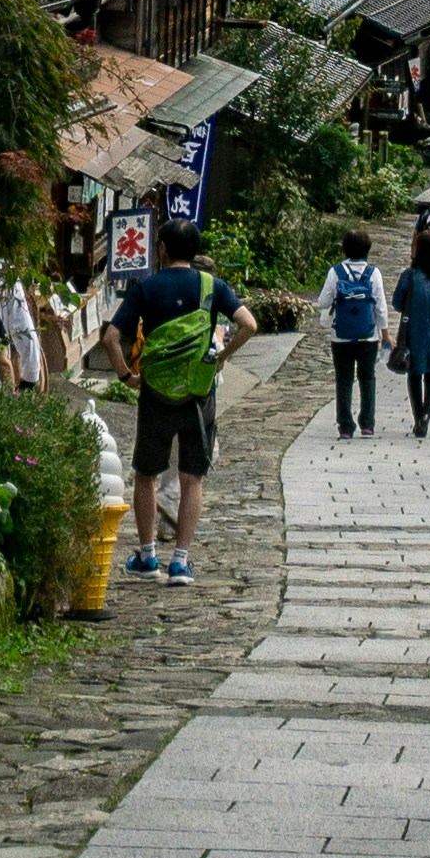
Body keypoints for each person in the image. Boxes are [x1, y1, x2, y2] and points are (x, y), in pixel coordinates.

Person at [111, 217, 249, 585]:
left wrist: (127, 376)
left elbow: (111, 338)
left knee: (145, 475)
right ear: (195, 250)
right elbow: (249, 324)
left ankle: (146, 557)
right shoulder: (211, 286)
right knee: (192, 479)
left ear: (163, 249)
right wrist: (221, 358)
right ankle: (180, 563)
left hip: (154, 392)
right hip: (197, 395)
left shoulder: (145, 287)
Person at [324, 229, 390, 435]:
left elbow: (323, 301)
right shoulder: (374, 273)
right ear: (368, 250)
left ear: (344, 249)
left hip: (340, 335)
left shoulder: (335, 272)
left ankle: (345, 425)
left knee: (343, 379)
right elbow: (380, 307)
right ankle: (367, 423)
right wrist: (385, 333)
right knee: (367, 377)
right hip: (368, 335)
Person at [393, 214, 430, 436]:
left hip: (414, 332)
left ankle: (418, 414)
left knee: (414, 374)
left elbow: (397, 303)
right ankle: (427, 412)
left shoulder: (409, 276)